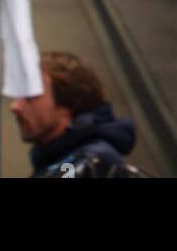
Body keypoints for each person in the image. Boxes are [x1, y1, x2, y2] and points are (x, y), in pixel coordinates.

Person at [9, 51, 137, 179]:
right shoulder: (63, 162)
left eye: (30, 98)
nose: (15, 106)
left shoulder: (87, 165)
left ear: (66, 106)